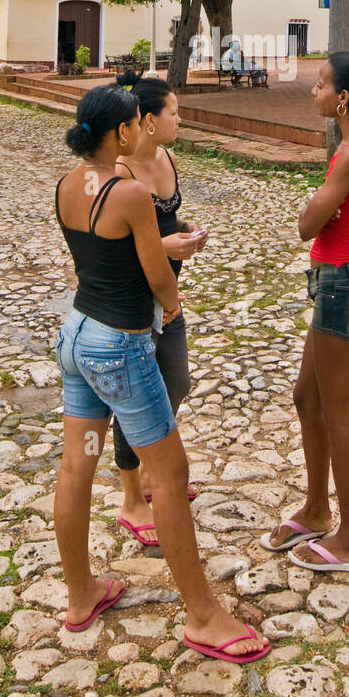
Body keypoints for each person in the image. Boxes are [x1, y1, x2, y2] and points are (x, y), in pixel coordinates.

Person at [53, 82, 269, 661]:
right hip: (121, 346)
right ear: (123, 132)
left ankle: (81, 595)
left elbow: (98, 260)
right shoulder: (129, 195)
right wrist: (171, 309)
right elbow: (155, 271)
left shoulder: (68, 185)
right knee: (170, 477)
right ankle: (202, 616)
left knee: (78, 463)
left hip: (77, 336)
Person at [262, 52, 349, 576]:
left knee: (338, 412)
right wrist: (323, 206)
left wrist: (317, 205)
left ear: (342, 97)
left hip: (345, 284)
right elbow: (323, 213)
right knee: (306, 396)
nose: (313, 93)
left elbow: (306, 223)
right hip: (337, 282)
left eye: (320, 86)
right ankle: (317, 507)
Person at [113, 70, 208, 546]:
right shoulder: (121, 170)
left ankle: (154, 464)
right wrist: (165, 247)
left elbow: (164, 219)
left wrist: (183, 231)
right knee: (134, 396)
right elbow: (116, 243)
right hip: (135, 297)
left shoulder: (168, 158)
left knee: (176, 381)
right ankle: (134, 492)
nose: (180, 119)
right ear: (148, 120)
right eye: (174, 112)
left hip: (168, 293)